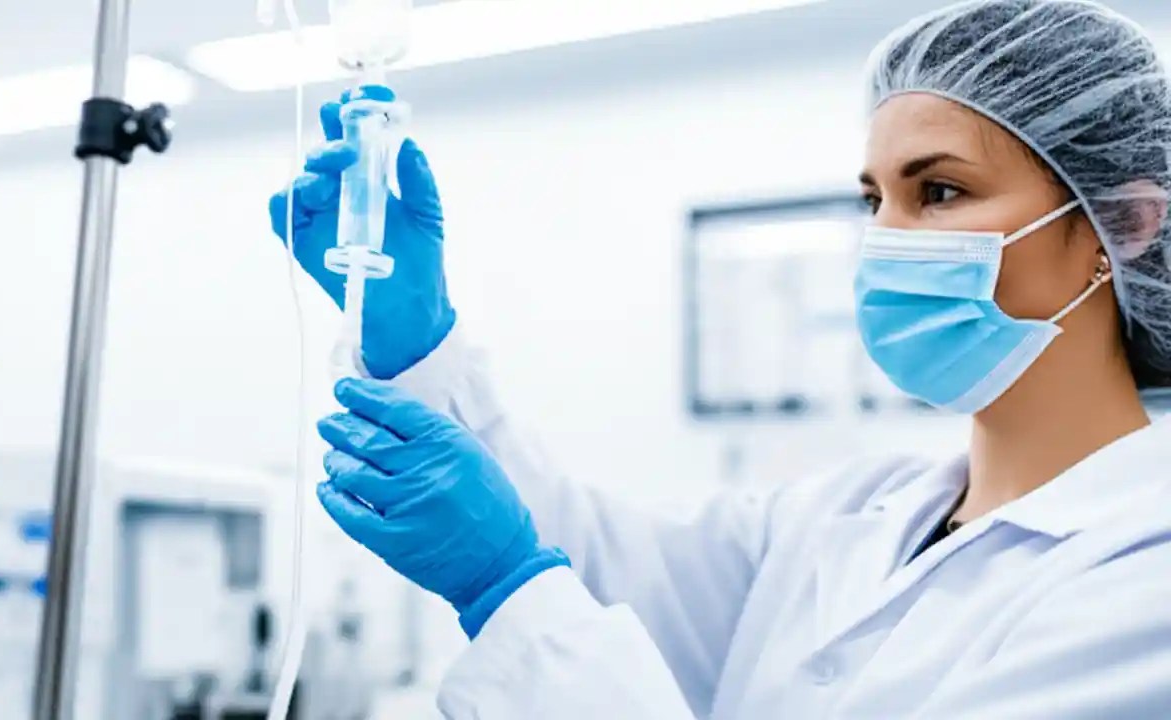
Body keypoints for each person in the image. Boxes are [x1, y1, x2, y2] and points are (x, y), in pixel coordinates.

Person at [267, 1, 1171, 716]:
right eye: (873, 201)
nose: (885, 241)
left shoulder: (1144, 581)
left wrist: (505, 586)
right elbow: (581, 558)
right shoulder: (842, 517)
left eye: (939, 192)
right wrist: (418, 343)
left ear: (1124, 224)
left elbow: (528, 570)